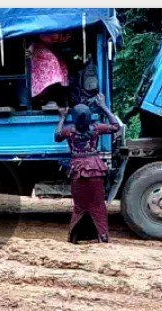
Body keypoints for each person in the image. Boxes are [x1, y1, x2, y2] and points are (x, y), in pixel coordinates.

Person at [54, 97, 120, 244]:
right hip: (96, 170)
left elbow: (57, 136)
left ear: (74, 118)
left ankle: (74, 238)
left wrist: (62, 117)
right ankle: (102, 237)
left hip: (78, 172)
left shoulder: (69, 131)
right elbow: (116, 126)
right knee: (98, 206)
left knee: (79, 207)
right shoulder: (96, 128)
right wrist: (103, 106)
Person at [30, 34, 70, 109]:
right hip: (39, 49)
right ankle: (50, 100)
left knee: (61, 69)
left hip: (51, 48)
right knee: (52, 67)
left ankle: (56, 101)